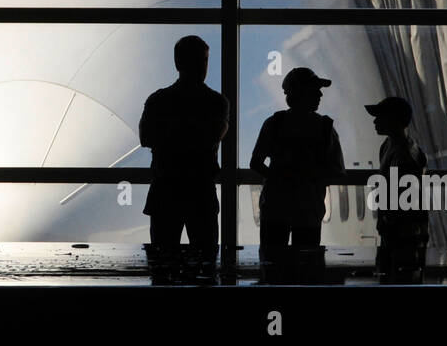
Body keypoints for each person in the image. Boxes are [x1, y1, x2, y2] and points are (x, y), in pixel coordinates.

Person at [138, 36, 229, 266]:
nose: (203, 66)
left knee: (162, 263)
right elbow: (209, 139)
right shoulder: (216, 102)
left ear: (177, 63)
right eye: (203, 60)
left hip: (165, 191)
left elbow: (146, 138)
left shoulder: (158, 101)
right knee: (206, 262)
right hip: (201, 192)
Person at [250, 68, 344, 277]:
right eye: (315, 90)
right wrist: (311, 178)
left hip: (275, 209)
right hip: (309, 211)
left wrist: (280, 178)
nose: (320, 95)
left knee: (272, 269)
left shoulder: (274, 123)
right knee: (307, 270)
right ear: (301, 93)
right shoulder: (325, 128)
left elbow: (255, 162)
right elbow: (337, 172)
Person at [367, 96, 429, 284]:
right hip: (398, 232)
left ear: (393, 120)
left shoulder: (400, 154)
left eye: (380, 117)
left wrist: (390, 220)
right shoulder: (393, 147)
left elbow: (403, 201)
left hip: (402, 235)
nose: (375, 121)